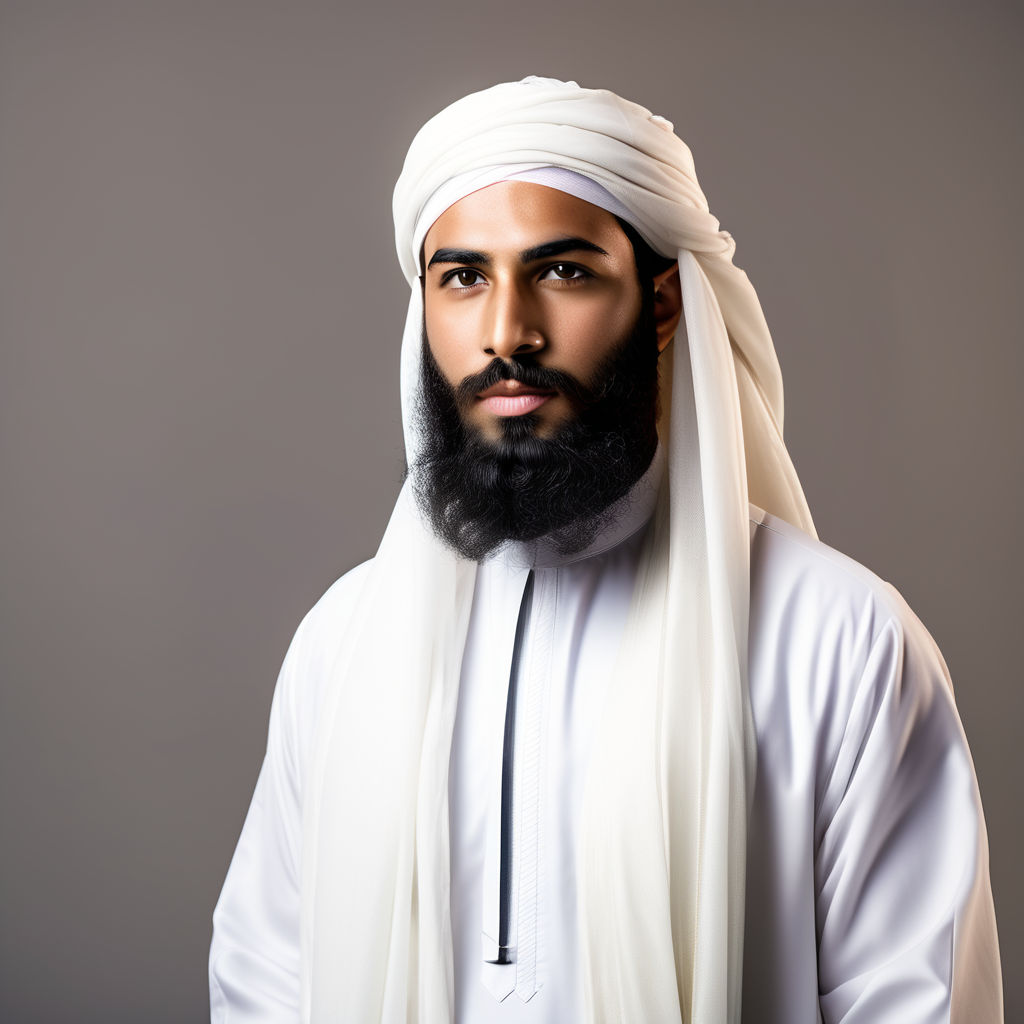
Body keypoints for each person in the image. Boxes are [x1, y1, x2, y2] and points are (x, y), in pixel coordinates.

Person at [209, 77, 1002, 1023]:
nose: (507, 332)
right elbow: (265, 980)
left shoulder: (839, 642)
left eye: (562, 272)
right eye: (464, 278)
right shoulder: (342, 646)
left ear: (661, 304)